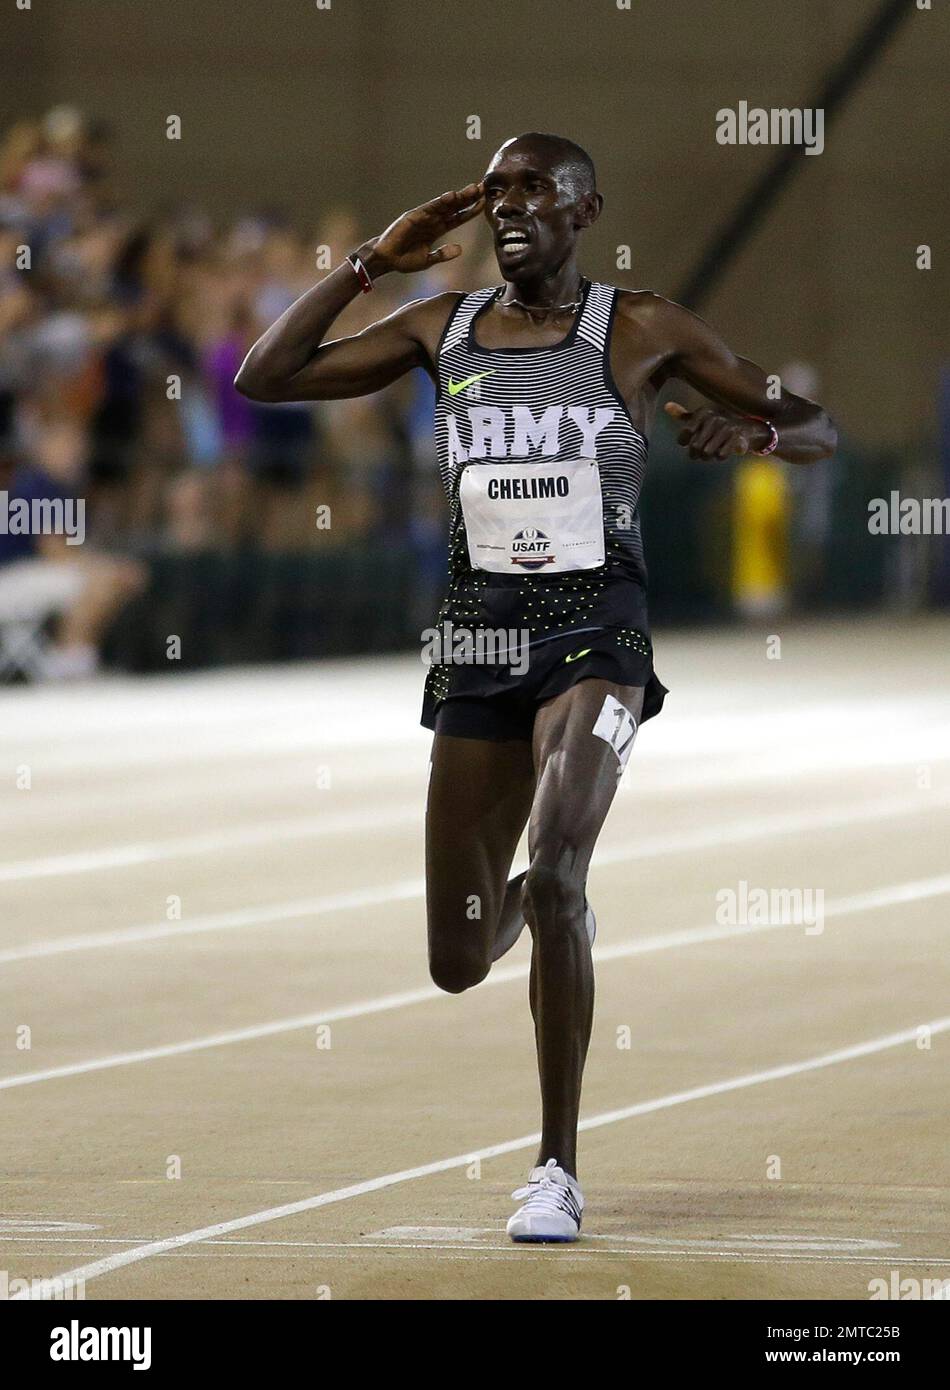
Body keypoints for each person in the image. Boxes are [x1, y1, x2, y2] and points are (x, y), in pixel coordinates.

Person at [235, 132, 836, 1242]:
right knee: (457, 958)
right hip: (476, 645)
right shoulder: (441, 326)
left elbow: (814, 424)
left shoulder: (640, 325)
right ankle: (546, 906)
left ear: (585, 210)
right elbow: (263, 377)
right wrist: (377, 257)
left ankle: (554, 1168)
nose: (509, 207)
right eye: (495, 190)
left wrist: (747, 427)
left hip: (596, 637)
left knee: (555, 872)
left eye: (534, 191)